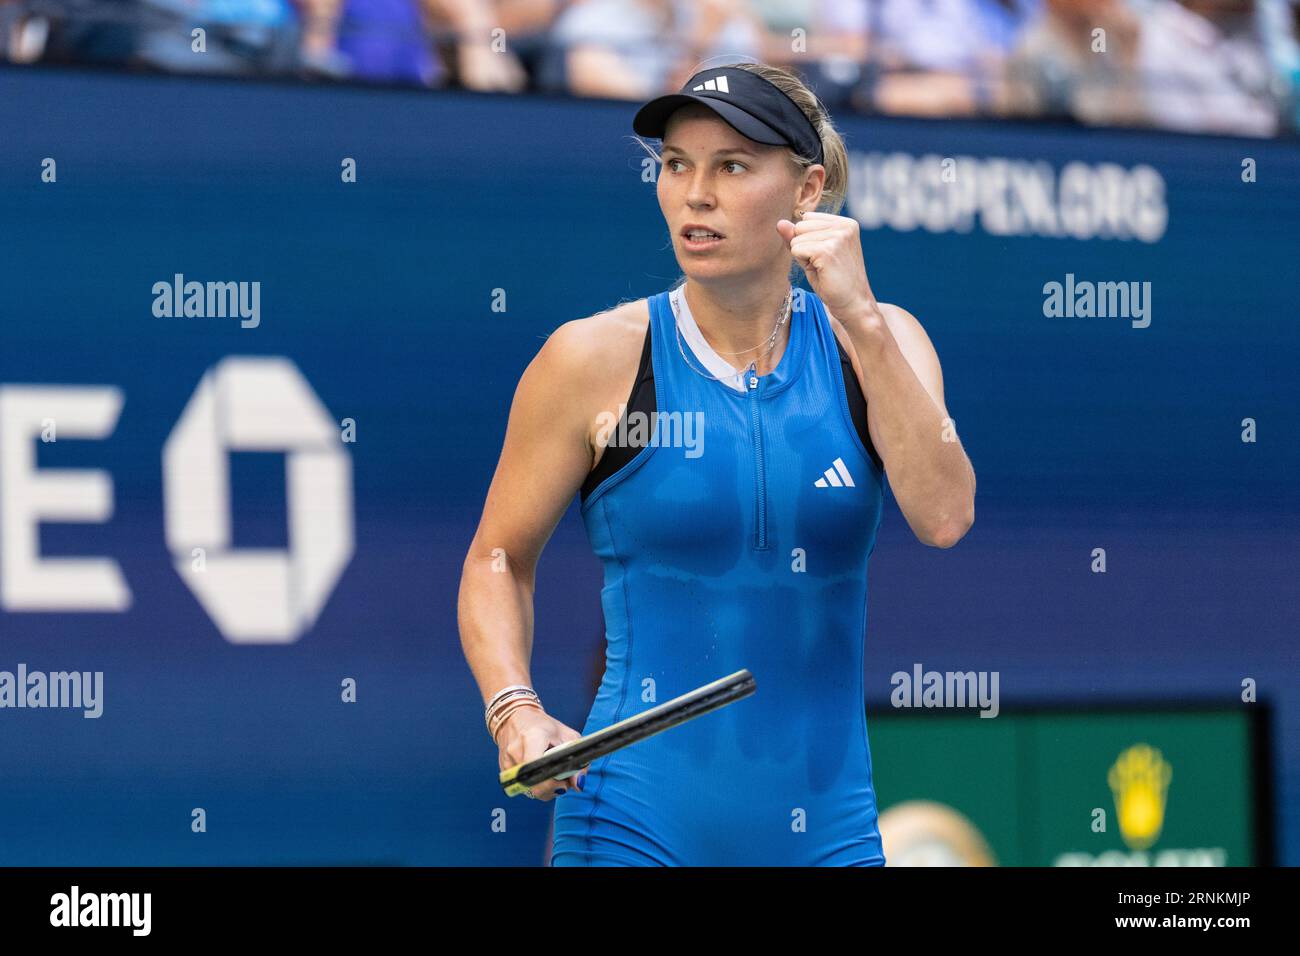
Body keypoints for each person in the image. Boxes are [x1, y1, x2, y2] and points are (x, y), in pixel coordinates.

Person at [458, 61, 976, 866]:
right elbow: (498, 557)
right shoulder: (592, 358)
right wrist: (514, 709)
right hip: (631, 826)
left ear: (807, 191)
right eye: (675, 165)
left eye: (731, 166)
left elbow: (944, 518)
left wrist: (861, 319)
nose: (695, 194)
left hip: (830, 832)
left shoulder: (881, 341)